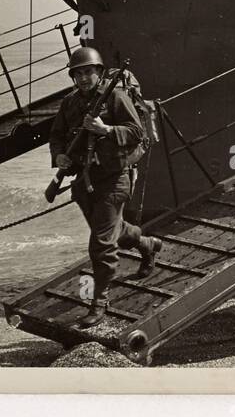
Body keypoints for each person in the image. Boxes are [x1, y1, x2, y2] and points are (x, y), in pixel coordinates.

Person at [47, 46, 159, 328]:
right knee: (114, 233)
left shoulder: (116, 97)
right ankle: (147, 244)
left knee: (100, 244)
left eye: (88, 72)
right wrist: (59, 155)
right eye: (78, 73)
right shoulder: (70, 103)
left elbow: (137, 132)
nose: (84, 78)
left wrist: (106, 129)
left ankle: (100, 303)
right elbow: (57, 136)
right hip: (85, 182)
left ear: (98, 72)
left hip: (114, 178)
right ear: (73, 77)